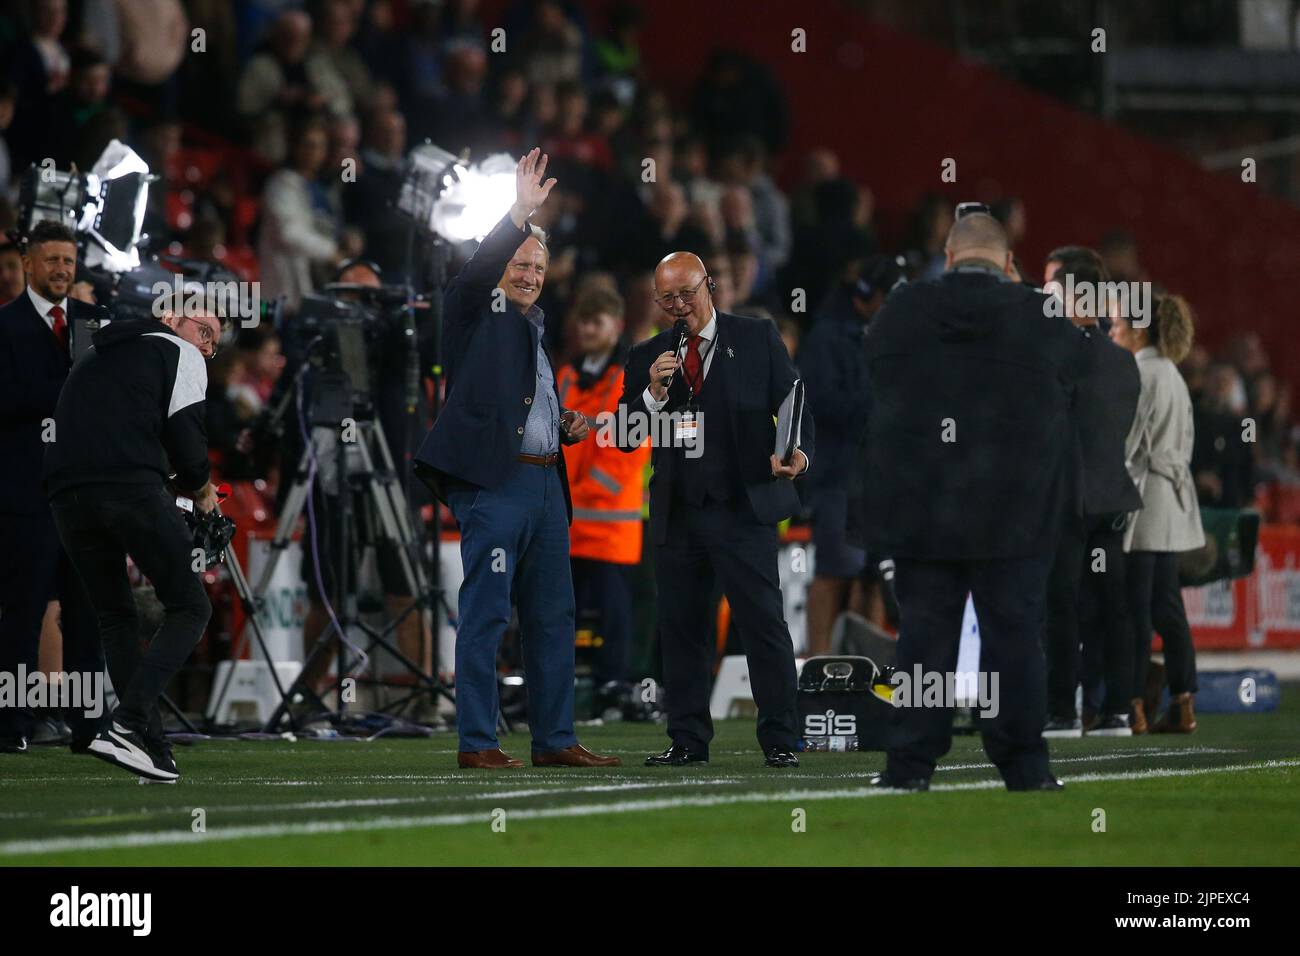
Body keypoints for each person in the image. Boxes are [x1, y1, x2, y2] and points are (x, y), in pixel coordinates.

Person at [863, 212, 1091, 791]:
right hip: (1014, 513)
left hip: (924, 511)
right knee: (1014, 641)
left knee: (923, 642)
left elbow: (874, 371)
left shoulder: (907, 308)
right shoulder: (1039, 312)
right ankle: (1026, 768)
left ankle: (907, 768)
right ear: (1009, 261)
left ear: (947, 253)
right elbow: (1082, 373)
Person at [413, 149, 620, 770]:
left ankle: (554, 740)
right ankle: (477, 742)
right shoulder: (474, 309)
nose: (529, 274)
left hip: (544, 486)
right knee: (487, 614)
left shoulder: (533, 325)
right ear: (499, 262)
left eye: (537, 265)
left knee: (553, 618)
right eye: (519, 262)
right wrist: (519, 213)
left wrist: (564, 425)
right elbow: (473, 275)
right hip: (495, 487)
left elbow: (518, 404)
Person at [615, 251, 815, 769]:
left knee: (762, 624)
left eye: (688, 293)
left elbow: (795, 402)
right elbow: (623, 436)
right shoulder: (646, 356)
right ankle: (687, 740)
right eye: (668, 298)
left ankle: (780, 739)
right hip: (679, 512)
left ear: (711, 286)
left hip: (742, 508)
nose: (679, 306)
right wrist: (654, 395)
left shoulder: (756, 338)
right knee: (681, 630)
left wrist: (797, 453)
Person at [42, 288, 223, 782]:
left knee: (115, 617)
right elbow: (188, 450)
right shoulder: (178, 351)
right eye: (204, 331)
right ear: (170, 317)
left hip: (65, 495)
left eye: (214, 343)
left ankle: (152, 749)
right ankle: (127, 724)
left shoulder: (99, 348)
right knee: (192, 606)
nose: (207, 347)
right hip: (126, 488)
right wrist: (202, 491)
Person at [0, 221, 105, 755]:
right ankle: (11, 723)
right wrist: (69, 387)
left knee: (87, 613)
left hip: (83, 497)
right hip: (25, 497)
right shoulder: (5, 326)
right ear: (29, 264)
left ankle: (89, 725)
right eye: (52, 261)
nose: (62, 270)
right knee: (21, 612)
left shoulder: (93, 324)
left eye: (68, 261)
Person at [1041, 251, 1143, 737]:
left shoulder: (1056, 355)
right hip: (1112, 500)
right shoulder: (1125, 363)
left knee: (1060, 603)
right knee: (1112, 606)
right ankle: (1117, 711)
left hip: (1068, 501)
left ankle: (1062, 710)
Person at [1110, 294, 1205, 734]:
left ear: (1139, 330)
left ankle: (1134, 708)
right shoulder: (1174, 374)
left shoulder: (1139, 373)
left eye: (1118, 325)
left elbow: (1128, 444)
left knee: (1135, 612)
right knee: (1169, 608)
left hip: (1144, 500)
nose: (1113, 332)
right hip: (1172, 501)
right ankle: (1184, 702)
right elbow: (1185, 440)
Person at [555, 287, 650, 714]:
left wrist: (580, 487)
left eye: (598, 322)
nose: (589, 329)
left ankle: (613, 684)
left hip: (609, 520)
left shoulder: (627, 377)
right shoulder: (567, 376)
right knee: (562, 609)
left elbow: (627, 445)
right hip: (571, 519)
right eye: (584, 321)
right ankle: (563, 683)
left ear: (616, 326)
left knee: (614, 612)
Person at [799, 255, 900, 655]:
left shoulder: (891, 335)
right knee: (835, 570)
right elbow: (817, 402)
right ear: (866, 295)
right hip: (838, 476)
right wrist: (879, 405)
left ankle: (866, 667)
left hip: (882, 475)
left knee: (875, 575)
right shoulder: (825, 337)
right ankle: (816, 663)